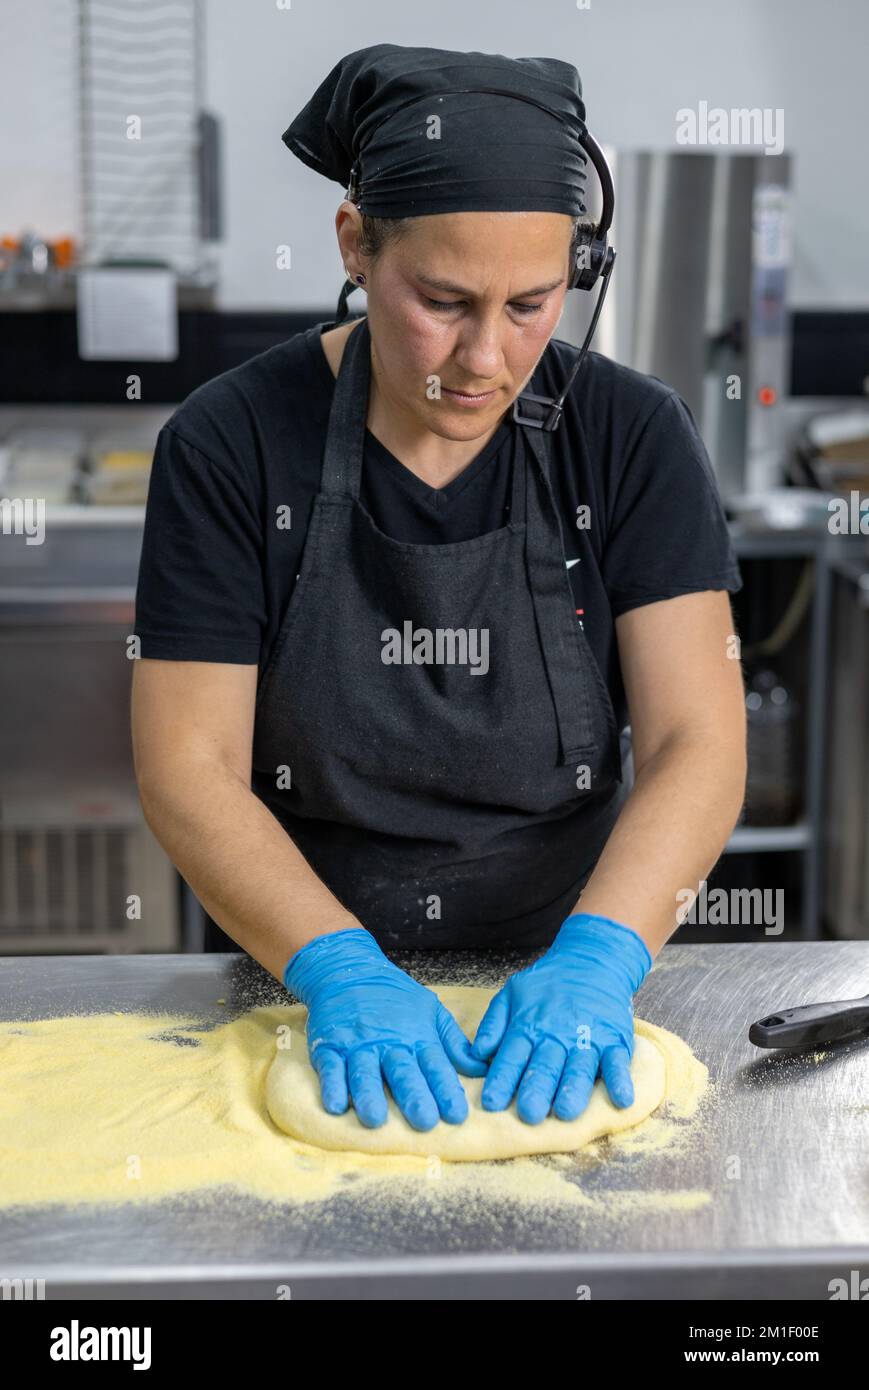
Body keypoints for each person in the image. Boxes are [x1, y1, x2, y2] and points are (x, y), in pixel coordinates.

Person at [131, 44, 746, 1135]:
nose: (483, 357)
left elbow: (695, 738)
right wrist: (334, 971)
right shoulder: (229, 443)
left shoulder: (629, 435)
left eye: (531, 303)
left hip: (566, 988)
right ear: (355, 247)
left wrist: (600, 957)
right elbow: (189, 764)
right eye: (443, 300)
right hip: (297, 991)